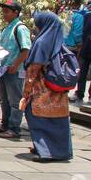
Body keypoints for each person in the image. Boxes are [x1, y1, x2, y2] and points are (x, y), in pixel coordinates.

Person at [22, 11, 73, 162]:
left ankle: (46, 151)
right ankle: (59, 150)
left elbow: (34, 68)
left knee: (37, 117)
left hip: (41, 89)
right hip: (57, 89)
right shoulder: (58, 40)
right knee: (58, 119)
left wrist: (27, 88)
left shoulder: (42, 42)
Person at [0, 0, 32, 141]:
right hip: (3, 68)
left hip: (14, 70)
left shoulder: (20, 28)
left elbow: (26, 49)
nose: (4, 14)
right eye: (3, 11)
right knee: (5, 100)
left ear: (16, 13)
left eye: (6, 11)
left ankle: (14, 128)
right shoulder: (7, 28)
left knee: (15, 100)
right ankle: (5, 124)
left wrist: (15, 64)